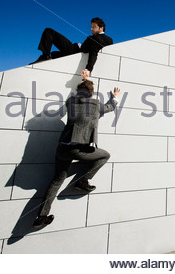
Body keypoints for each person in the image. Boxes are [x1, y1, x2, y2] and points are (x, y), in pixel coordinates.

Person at [33, 80, 121, 228]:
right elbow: (110, 107)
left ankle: (41, 216)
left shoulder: (70, 103)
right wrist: (115, 97)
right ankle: (83, 180)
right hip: (79, 150)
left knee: (56, 181)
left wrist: (83, 81)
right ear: (92, 93)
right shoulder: (95, 105)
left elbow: (76, 97)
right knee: (105, 155)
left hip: (62, 149)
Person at [31, 17, 113, 77]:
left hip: (74, 50)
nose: (91, 29)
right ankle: (47, 56)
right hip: (74, 49)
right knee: (54, 54)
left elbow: (93, 52)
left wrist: (88, 69)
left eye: (94, 27)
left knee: (49, 31)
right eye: (91, 27)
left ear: (101, 27)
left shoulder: (97, 38)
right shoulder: (109, 39)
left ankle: (45, 56)